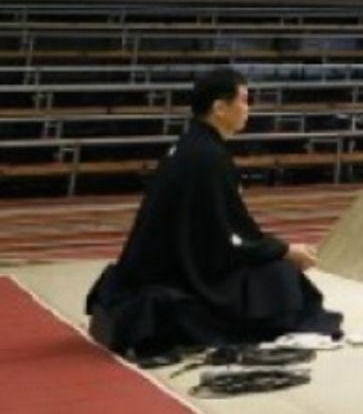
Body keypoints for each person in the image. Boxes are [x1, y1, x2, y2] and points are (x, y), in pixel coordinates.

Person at [85, 68, 343, 358]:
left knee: (275, 270)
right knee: (279, 276)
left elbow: (218, 229)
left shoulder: (192, 147)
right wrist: (282, 250)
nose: (248, 109)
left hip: (169, 265)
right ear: (220, 108)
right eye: (244, 100)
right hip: (184, 274)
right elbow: (228, 238)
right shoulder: (207, 157)